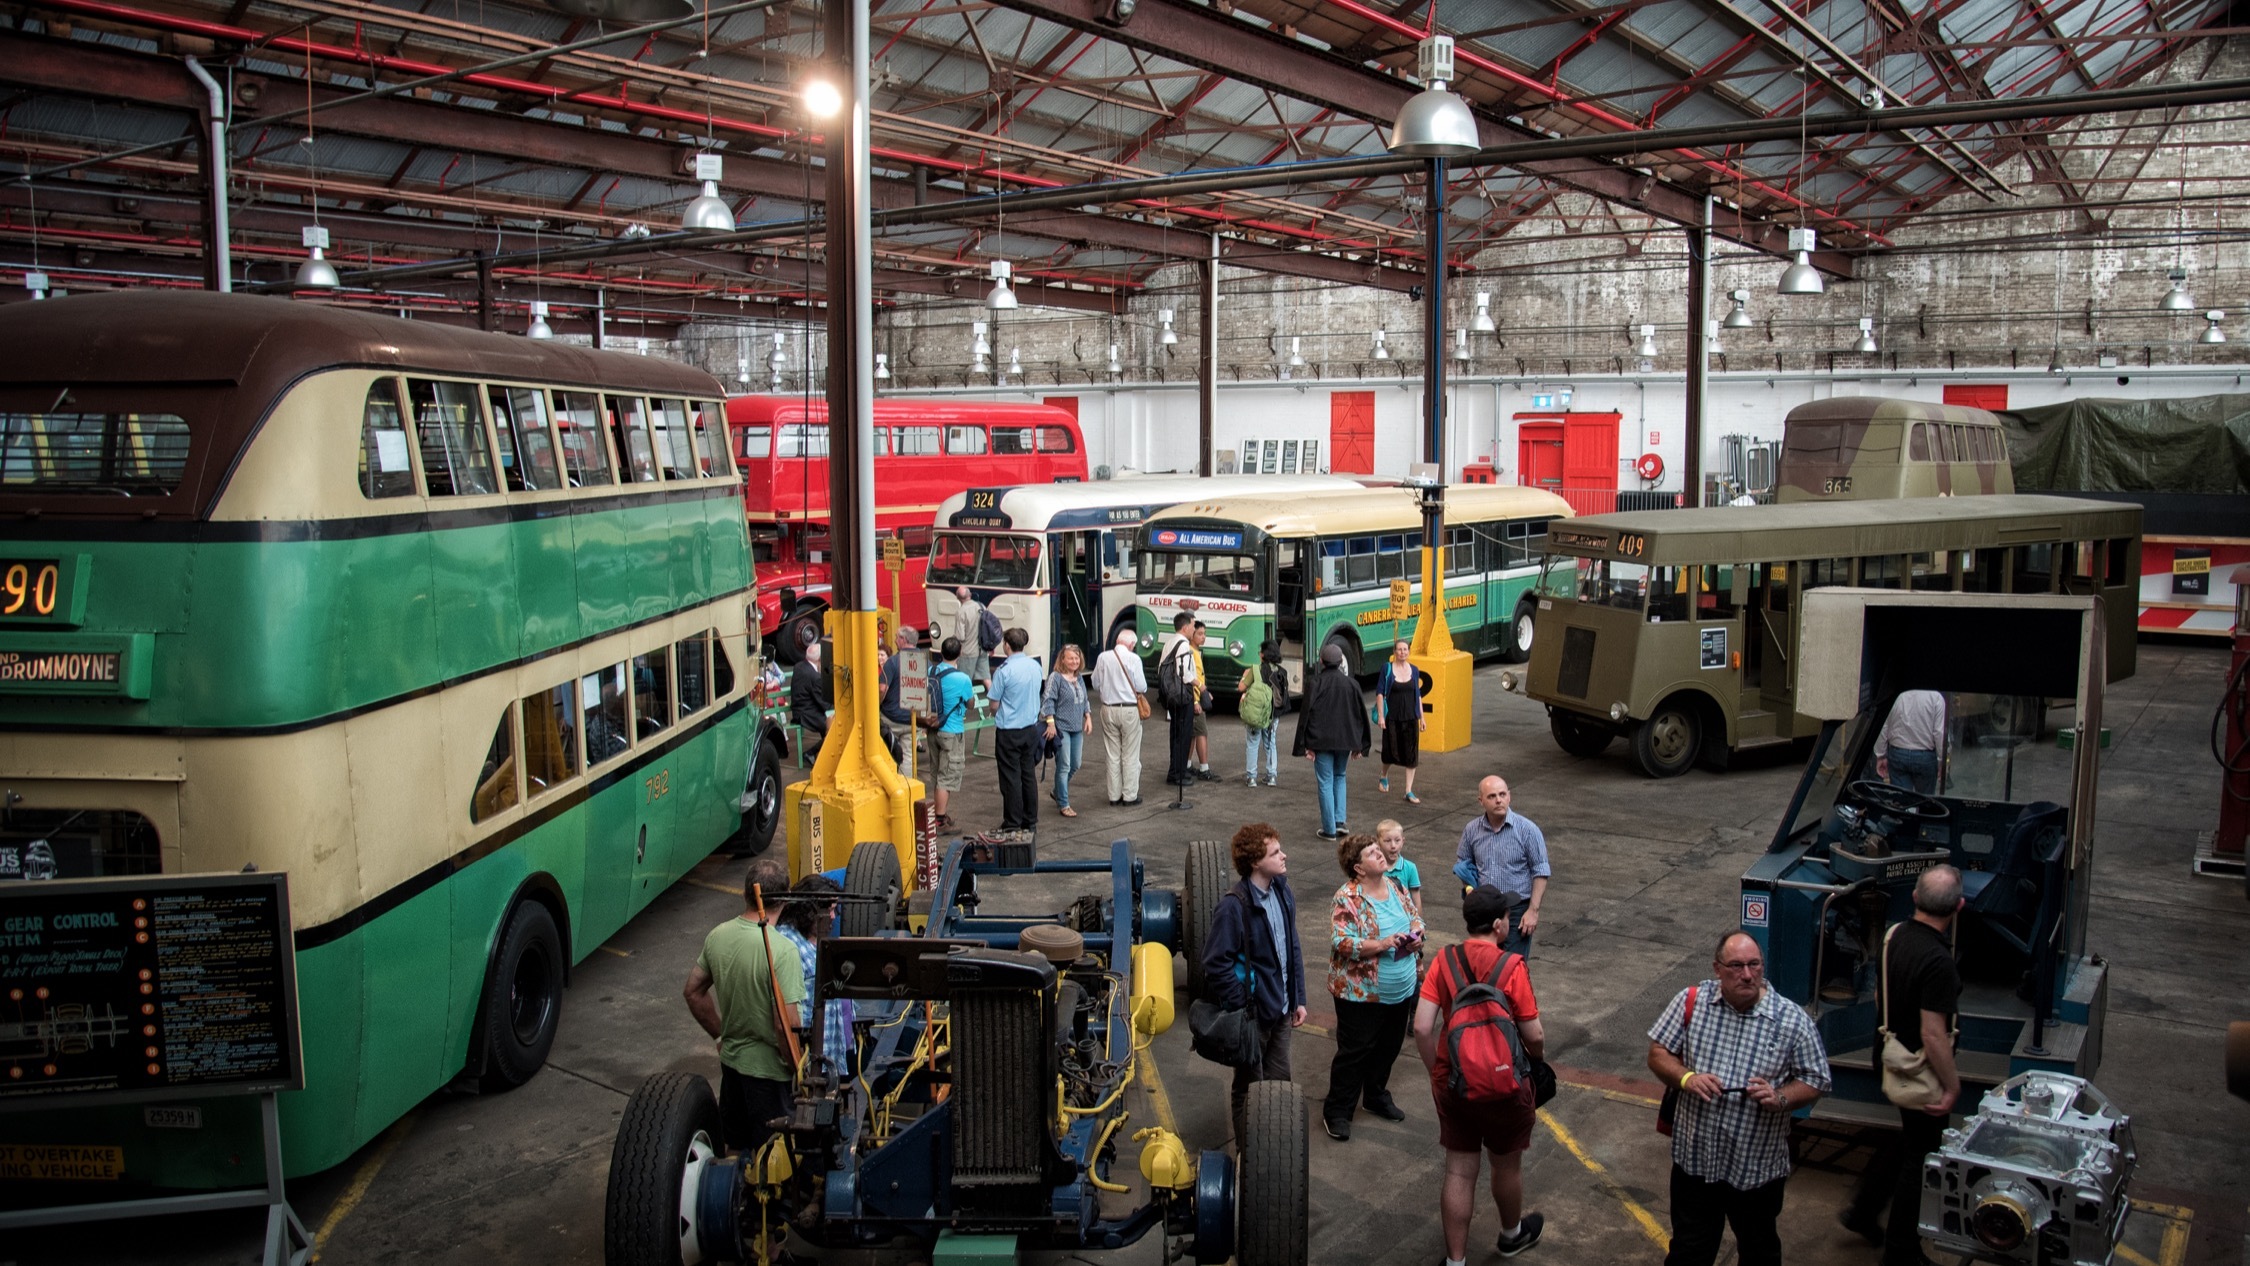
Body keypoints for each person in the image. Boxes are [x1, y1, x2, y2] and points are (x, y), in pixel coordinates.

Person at [1645, 932, 1832, 1266]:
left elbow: (1817, 1078)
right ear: (1718, 969)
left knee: (1759, 1251)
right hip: (1696, 1163)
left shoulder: (1791, 1021)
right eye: (1736, 966)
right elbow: (1659, 1053)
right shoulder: (1692, 1002)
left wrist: (1781, 1097)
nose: (1747, 974)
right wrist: (1687, 1078)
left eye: (1754, 965)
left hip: (1756, 1169)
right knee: (1689, 1251)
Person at [1415, 884, 1546, 1264]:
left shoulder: (1445, 960)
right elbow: (1533, 1033)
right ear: (1499, 925)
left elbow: (1423, 1027)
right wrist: (1535, 1062)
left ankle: (1455, 1261)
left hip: (1456, 1083)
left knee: (1459, 1169)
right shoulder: (1511, 966)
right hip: (1507, 1086)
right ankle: (1510, 1234)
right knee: (1506, 1162)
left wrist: (1438, 1073)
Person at [1841, 866, 1965, 1264]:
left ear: (1914, 897)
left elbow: (1881, 996)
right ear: (1959, 907)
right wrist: (1952, 1086)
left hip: (1887, 1056)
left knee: (1912, 1139)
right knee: (1923, 1156)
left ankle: (1863, 1211)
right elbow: (1933, 1033)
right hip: (1919, 1070)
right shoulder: (1940, 962)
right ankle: (1901, 1251)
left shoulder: (1895, 935)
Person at [682, 855, 805, 1155]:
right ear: (785, 900)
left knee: (735, 1151)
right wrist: (800, 1074)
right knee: (775, 1164)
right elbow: (783, 1027)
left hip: (733, 1069)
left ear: (745, 893)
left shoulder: (718, 936)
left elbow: (693, 992)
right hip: (771, 1079)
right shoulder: (783, 951)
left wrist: (721, 1036)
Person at [1201, 823, 1309, 1147]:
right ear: (1255, 862)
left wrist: (1298, 997)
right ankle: (1248, 1153)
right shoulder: (1234, 906)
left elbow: (1293, 948)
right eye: (1275, 852)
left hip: (1282, 1011)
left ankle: (1273, 1150)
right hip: (1255, 1017)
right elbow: (1214, 962)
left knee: (1279, 1083)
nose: (1283, 855)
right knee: (1249, 1087)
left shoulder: (1282, 891)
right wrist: (1244, 1003)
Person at [1322, 833, 1424, 1141]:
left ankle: (1376, 1096)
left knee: (1389, 1045)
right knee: (1355, 1051)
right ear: (1358, 868)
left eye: (1378, 850)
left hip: (1400, 988)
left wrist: (1417, 934)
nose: (1380, 855)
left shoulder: (1395, 886)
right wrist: (1381, 944)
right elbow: (1341, 942)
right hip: (1361, 994)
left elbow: (1415, 918)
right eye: (1372, 853)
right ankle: (1338, 1111)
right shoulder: (1347, 897)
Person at [1455, 777, 1550, 956]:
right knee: (1485, 963)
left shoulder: (1527, 830)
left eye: (1502, 794)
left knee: (1511, 967)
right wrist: (1469, 888)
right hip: (1485, 911)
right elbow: (1463, 864)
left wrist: (1533, 911)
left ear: (1509, 797)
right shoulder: (1472, 830)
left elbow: (1541, 870)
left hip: (1515, 911)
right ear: (1481, 801)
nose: (1498, 800)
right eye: (1491, 796)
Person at [775, 875, 854, 1073]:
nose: (834, 917)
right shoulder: (788, 944)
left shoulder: (815, 938)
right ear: (808, 911)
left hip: (830, 1053)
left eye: (835, 910)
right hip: (809, 1061)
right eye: (829, 910)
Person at [1292, 642, 1370, 840]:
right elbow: (1360, 715)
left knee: (1325, 781)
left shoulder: (1315, 683)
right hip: (1345, 740)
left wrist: (1303, 745)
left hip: (1321, 741)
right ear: (1340, 661)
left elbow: (1305, 715)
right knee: (1340, 776)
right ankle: (1339, 821)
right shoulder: (1352, 684)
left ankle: (1329, 829)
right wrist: (1361, 744)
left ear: (1322, 661)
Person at [987, 626, 1042, 838]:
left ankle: (1012, 821)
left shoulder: (1003, 671)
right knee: (1028, 775)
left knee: (1011, 777)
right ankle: (1030, 819)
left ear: (1007, 645)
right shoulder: (1034, 666)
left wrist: (999, 712)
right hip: (1030, 728)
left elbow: (994, 703)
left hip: (1009, 730)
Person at [1090, 628, 1148, 806]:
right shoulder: (1134, 658)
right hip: (1129, 709)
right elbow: (1142, 686)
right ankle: (1129, 795)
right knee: (1130, 754)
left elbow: (1095, 683)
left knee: (1112, 754)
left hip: (1108, 709)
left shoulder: (1103, 657)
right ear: (1131, 644)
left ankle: (1114, 796)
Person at [926, 637, 976, 831]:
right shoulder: (962, 678)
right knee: (946, 777)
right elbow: (970, 703)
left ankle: (940, 812)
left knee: (937, 772)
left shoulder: (931, 671)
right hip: (952, 731)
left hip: (932, 728)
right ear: (960, 653)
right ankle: (939, 819)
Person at [1040, 643, 1091, 818]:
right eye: (1070, 658)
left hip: (1077, 727)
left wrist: (1088, 716)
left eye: (1077, 658)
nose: (1074, 661)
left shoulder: (1079, 677)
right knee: (1064, 766)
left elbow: (1085, 699)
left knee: (1076, 764)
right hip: (1062, 728)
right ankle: (1064, 803)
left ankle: (1057, 790)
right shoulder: (1056, 677)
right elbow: (1047, 701)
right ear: (1063, 659)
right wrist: (1050, 723)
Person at [1374, 640, 1426, 803]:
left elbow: (1417, 695)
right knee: (1390, 752)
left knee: (1411, 755)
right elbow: (1380, 693)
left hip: (1410, 717)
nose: (1402, 652)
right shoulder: (1387, 668)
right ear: (1394, 652)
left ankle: (1408, 790)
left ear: (1409, 651)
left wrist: (1422, 717)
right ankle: (1384, 775)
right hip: (1392, 717)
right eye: (1399, 649)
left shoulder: (1415, 670)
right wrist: (1381, 716)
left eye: (1405, 649)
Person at [1161, 612, 1207, 788]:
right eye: (1193, 625)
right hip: (1182, 695)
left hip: (1171, 695)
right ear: (1185, 627)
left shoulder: (1169, 642)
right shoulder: (1183, 646)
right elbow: (1185, 674)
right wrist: (1200, 686)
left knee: (1175, 734)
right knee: (1183, 735)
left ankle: (1174, 771)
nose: (1194, 629)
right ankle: (1178, 774)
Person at [1237, 641, 1289, 788]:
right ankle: (1271, 776)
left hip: (1256, 714)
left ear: (1263, 655)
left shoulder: (1255, 670)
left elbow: (1241, 687)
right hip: (1273, 714)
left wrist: (1244, 676)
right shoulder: (1282, 672)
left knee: (1253, 744)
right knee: (1270, 743)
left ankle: (1251, 777)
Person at [1874, 689, 1946, 794]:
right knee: (1925, 803)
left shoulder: (1897, 695)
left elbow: (1884, 726)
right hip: (1925, 757)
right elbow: (1939, 733)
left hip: (1898, 754)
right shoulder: (1936, 697)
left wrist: (1880, 755)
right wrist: (1941, 761)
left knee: (1901, 801)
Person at [878, 628, 918, 763]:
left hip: (892, 718)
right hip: (913, 718)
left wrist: (877, 705)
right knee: (908, 757)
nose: (895, 640)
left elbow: (882, 689)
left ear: (903, 640)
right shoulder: (925, 662)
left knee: (886, 752)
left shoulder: (893, 662)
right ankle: (906, 782)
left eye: (896, 637)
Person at [790, 641, 830, 760]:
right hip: (807, 714)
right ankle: (811, 753)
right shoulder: (814, 677)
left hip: (800, 710)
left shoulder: (799, 666)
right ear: (819, 659)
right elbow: (824, 703)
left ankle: (824, 752)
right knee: (834, 726)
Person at [1376, 819, 1422, 911]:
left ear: (1403, 841)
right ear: (1378, 843)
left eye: (1397, 840)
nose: (1393, 845)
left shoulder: (1410, 868)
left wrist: (1419, 923)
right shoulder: (1374, 868)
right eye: (1387, 841)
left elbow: (1417, 901)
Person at [953, 587, 993, 685]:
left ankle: (968, 699)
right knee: (986, 677)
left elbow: (960, 637)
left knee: (965, 679)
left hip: (968, 652)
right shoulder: (981, 606)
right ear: (970, 595)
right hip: (983, 650)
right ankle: (993, 698)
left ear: (957, 598)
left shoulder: (961, 612)